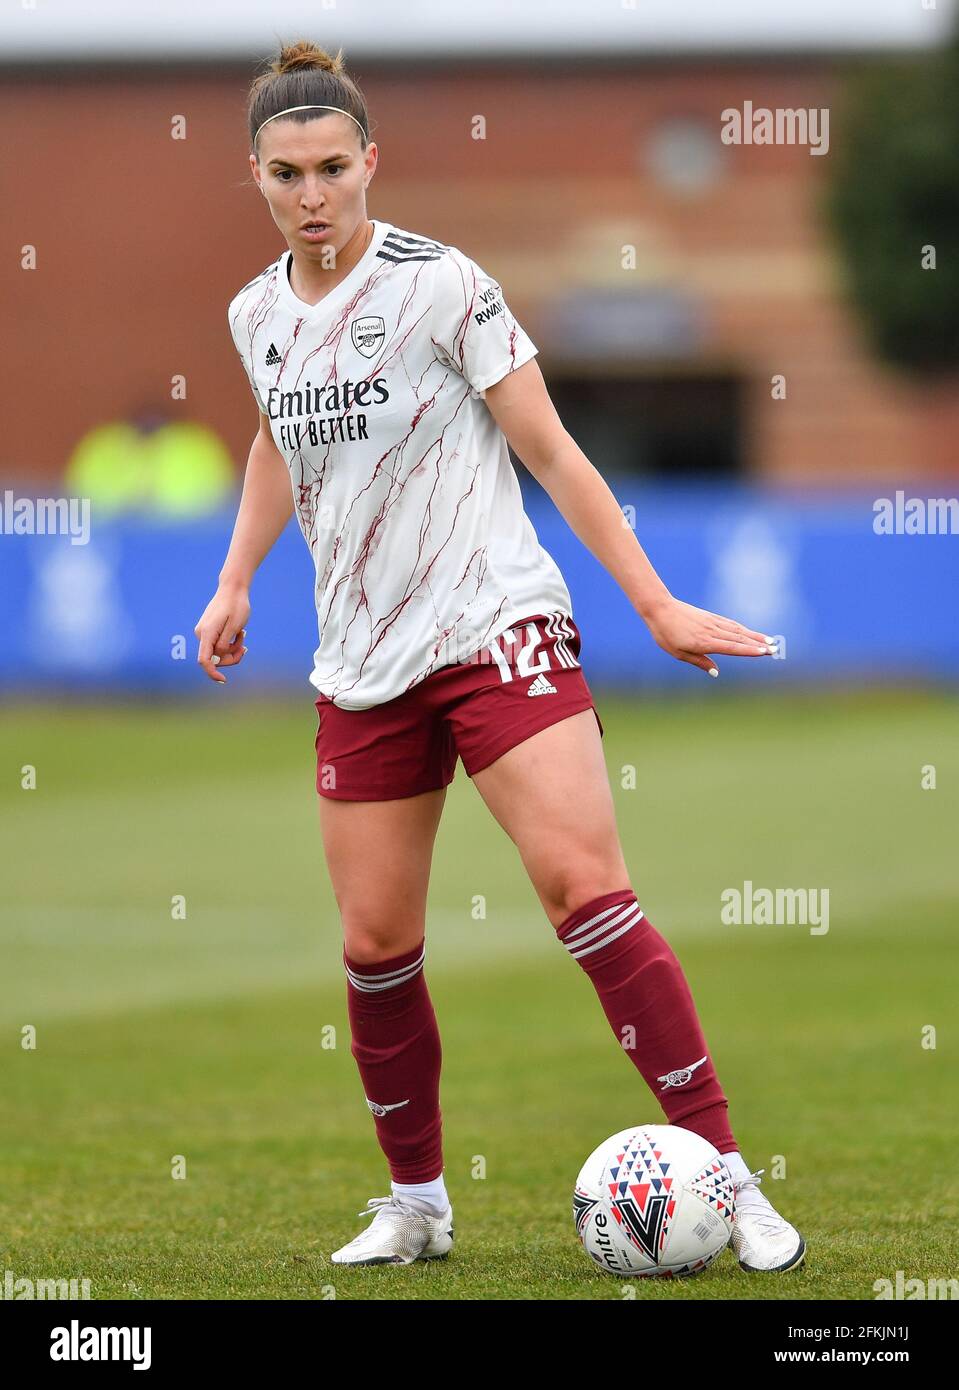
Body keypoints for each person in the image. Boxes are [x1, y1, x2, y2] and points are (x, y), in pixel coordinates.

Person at [194, 39, 805, 1275]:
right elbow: (276, 440)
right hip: (359, 658)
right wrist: (235, 573)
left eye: (329, 168)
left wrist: (653, 602)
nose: (311, 194)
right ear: (253, 178)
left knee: (584, 888)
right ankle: (416, 1202)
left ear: (370, 161)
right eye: (284, 174)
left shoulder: (441, 285)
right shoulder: (253, 313)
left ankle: (729, 1179)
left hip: (491, 624)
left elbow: (554, 452)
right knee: (373, 946)